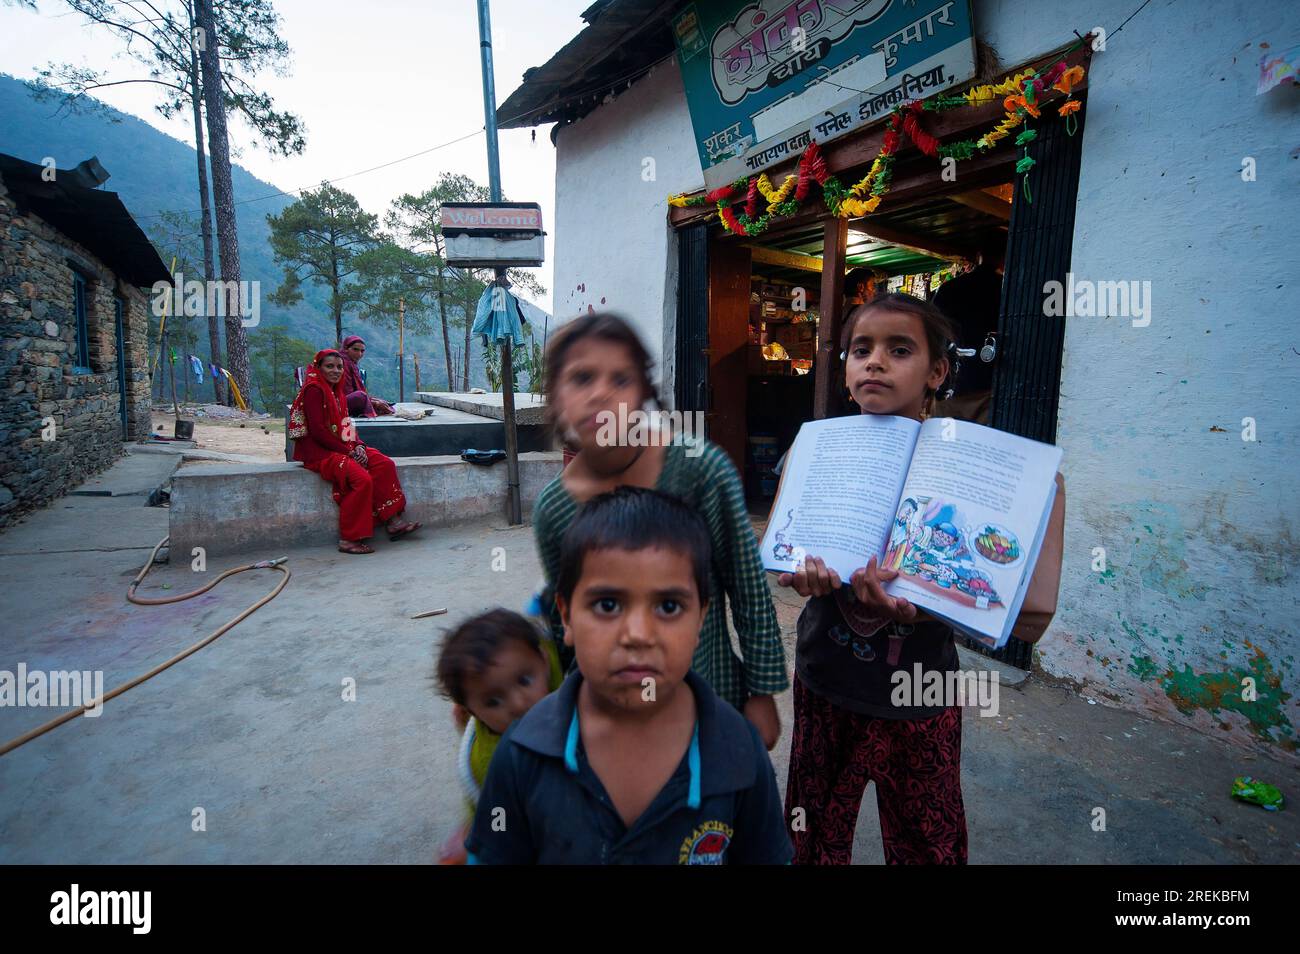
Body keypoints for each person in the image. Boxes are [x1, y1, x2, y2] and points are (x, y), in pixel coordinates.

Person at [465, 487, 792, 864]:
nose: (638, 634)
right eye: (608, 604)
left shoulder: (739, 750)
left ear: (701, 618)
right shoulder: (523, 752)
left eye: (669, 606)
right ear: (567, 616)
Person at [531, 312, 787, 750]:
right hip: (610, 710)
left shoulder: (698, 467)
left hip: (709, 690)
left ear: (644, 394)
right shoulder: (553, 509)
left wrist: (762, 691)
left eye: (620, 380)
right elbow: (565, 622)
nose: (601, 395)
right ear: (554, 395)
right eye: (582, 378)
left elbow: (747, 585)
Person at [779, 293, 969, 865]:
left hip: (921, 692)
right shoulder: (815, 448)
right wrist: (803, 571)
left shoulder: (961, 462)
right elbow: (790, 544)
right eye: (861, 349)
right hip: (825, 679)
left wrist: (928, 601)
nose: (875, 362)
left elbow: (974, 580)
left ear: (936, 371)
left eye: (899, 349)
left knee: (927, 843)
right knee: (810, 831)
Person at [434, 608, 564, 864]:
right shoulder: (491, 759)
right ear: (473, 712)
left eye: (524, 680)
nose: (518, 704)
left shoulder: (556, 673)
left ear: (544, 661)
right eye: (493, 701)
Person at [289, 349, 420, 554]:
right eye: (329, 366)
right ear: (318, 368)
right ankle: (349, 539)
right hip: (320, 452)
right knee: (362, 480)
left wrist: (357, 444)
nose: (336, 371)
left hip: (344, 447)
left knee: (383, 464)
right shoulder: (314, 390)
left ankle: (393, 521)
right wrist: (348, 451)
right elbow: (318, 431)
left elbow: (346, 423)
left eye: (339, 367)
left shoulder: (337, 391)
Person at [931, 238, 1004, 424]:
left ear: (979, 256)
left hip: (948, 383)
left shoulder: (949, 288)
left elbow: (931, 331)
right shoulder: (1004, 289)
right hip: (986, 385)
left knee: (942, 445)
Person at [340, 335, 394, 417]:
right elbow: (346, 393)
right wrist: (374, 403)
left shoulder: (351, 364)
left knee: (379, 401)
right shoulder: (341, 363)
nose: (359, 354)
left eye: (362, 351)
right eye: (355, 350)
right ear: (346, 349)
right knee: (361, 396)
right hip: (337, 403)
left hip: (346, 400)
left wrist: (373, 400)